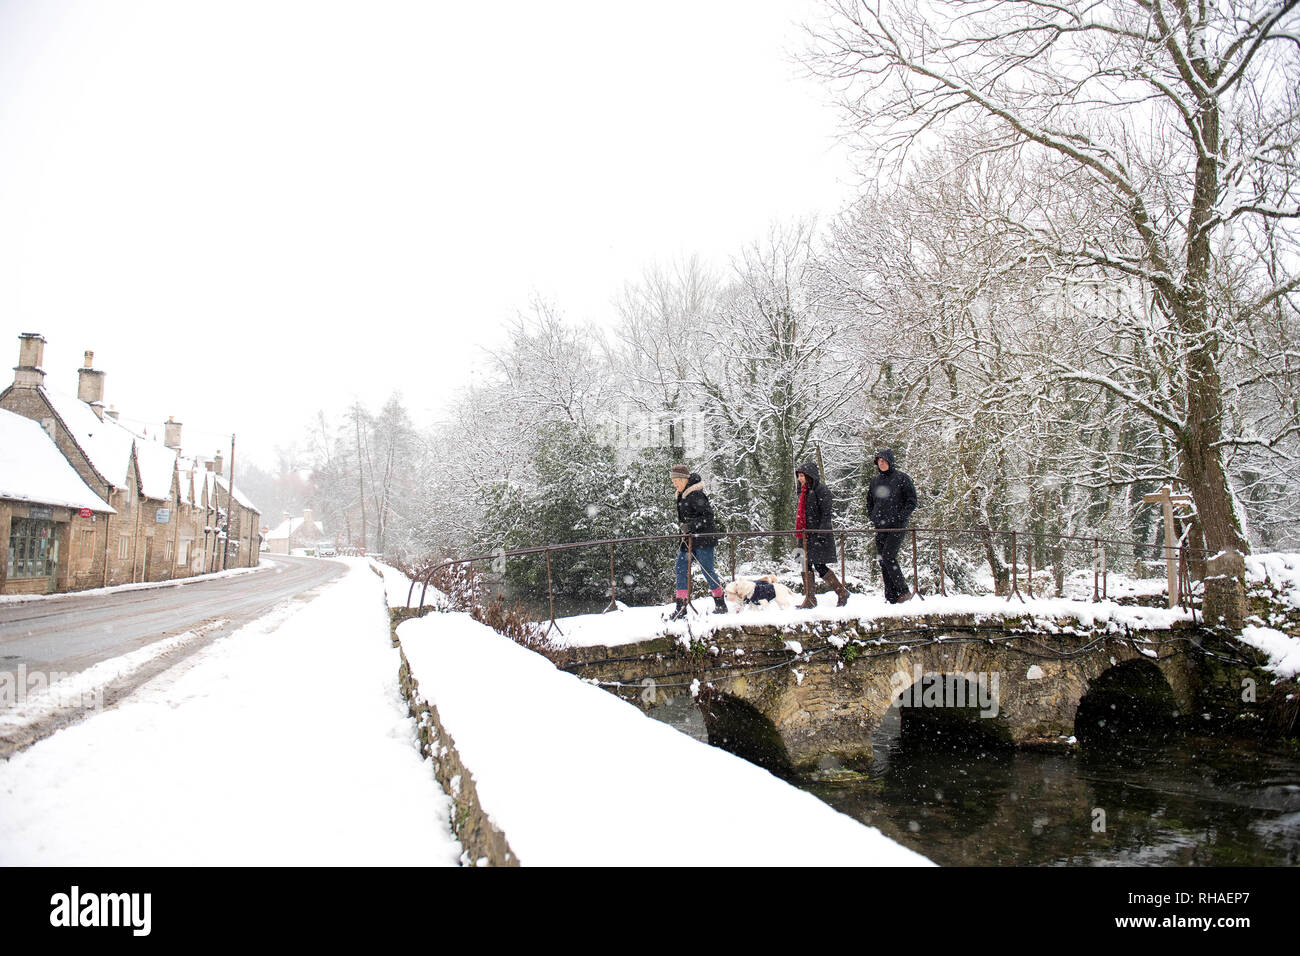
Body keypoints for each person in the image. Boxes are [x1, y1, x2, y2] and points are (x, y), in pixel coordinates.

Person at [669, 464, 726, 619]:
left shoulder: (696, 495)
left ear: (683, 479)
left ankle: (720, 603)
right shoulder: (681, 494)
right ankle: (681, 606)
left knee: (707, 570)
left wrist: (691, 525)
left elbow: (708, 517)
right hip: (688, 539)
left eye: (676, 480)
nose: (674, 483)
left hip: (703, 539)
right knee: (681, 567)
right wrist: (684, 528)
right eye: (673, 480)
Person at [795, 461, 850, 609]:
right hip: (804, 534)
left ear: (809, 476)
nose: (800, 479)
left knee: (819, 565)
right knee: (804, 564)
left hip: (818, 534)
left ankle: (841, 592)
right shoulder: (803, 492)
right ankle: (810, 598)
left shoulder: (821, 491)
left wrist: (821, 533)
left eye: (802, 476)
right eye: (799, 476)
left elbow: (826, 514)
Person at [868, 447, 917, 603]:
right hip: (880, 525)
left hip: (897, 525)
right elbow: (869, 501)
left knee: (889, 556)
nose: (881, 464)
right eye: (879, 461)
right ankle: (890, 594)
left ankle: (903, 590)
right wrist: (873, 516)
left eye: (883, 460)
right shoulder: (875, 481)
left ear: (890, 461)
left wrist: (900, 517)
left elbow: (912, 501)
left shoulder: (902, 478)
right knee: (883, 559)